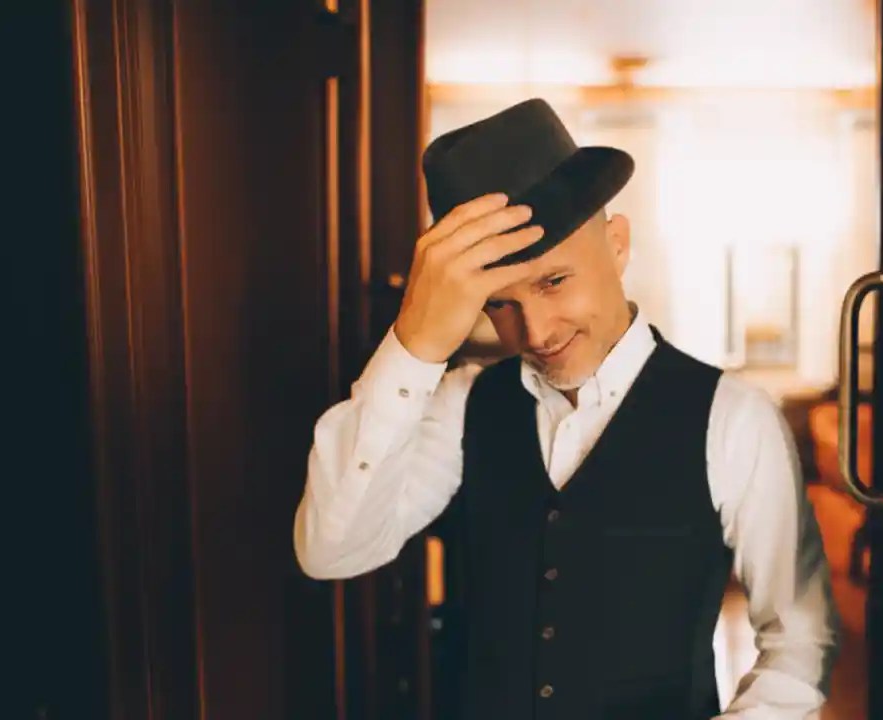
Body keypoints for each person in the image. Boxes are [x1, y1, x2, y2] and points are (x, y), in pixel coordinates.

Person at [294, 98, 839, 719]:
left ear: (617, 245)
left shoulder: (735, 418)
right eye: (499, 304)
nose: (536, 330)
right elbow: (330, 551)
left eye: (553, 282)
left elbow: (800, 641)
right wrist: (413, 343)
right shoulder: (462, 405)